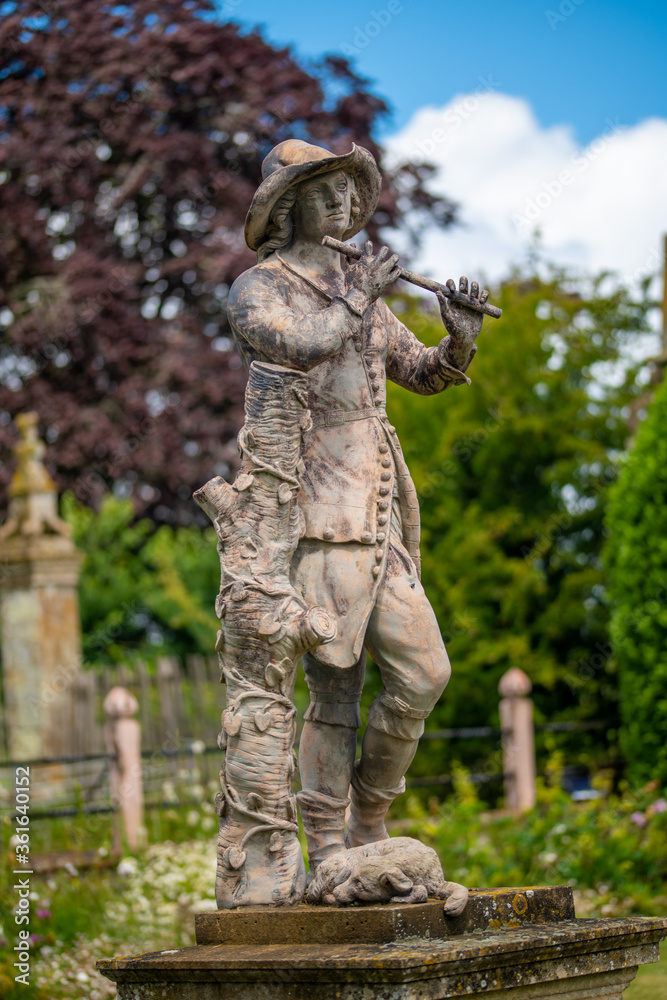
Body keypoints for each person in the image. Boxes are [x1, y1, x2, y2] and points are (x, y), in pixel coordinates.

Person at [228, 139, 488, 872]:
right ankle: (331, 845)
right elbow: (294, 346)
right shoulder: (261, 287)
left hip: (380, 514)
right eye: (325, 192)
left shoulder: (358, 287)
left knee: (424, 673)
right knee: (333, 687)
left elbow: (423, 373)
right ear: (289, 207)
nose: (343, 206)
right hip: (316, 511)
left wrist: (457, 341)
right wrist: (356, 297)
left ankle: (371, 812)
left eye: (350, 192)